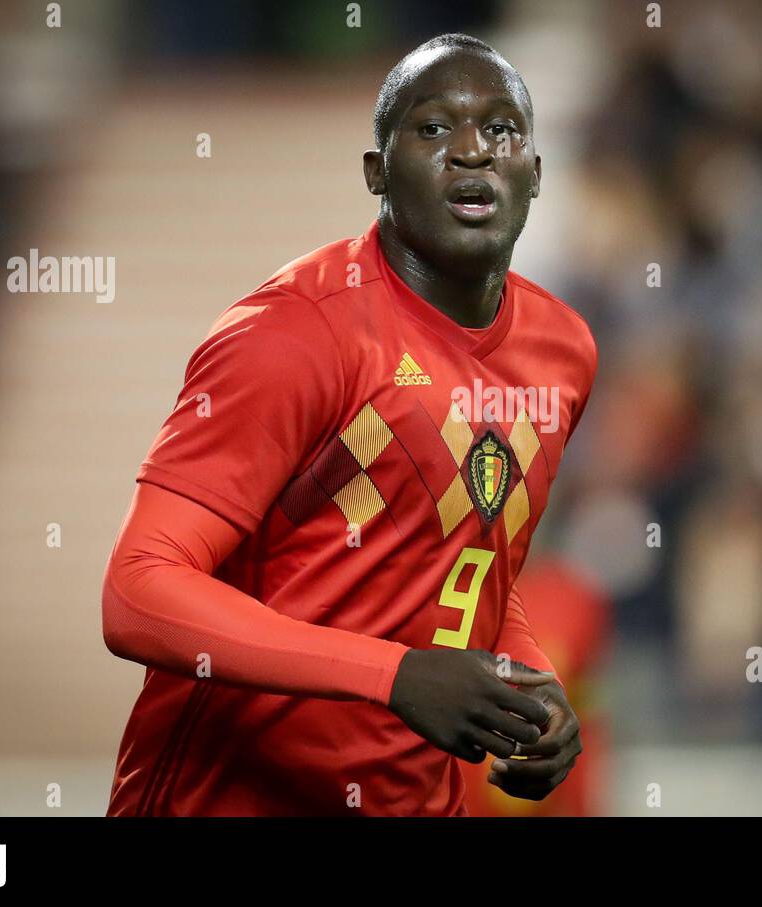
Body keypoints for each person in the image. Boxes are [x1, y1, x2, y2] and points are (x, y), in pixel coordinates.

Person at [102, 33, 598, 815]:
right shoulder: (294, 333)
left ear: (534, 172)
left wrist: (529, 686)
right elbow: (138, 590)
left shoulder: (562, 352)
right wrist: (395, 675)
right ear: (376, 172)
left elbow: (467, 566)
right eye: (434, 129)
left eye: (502, 130)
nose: (472, 151)